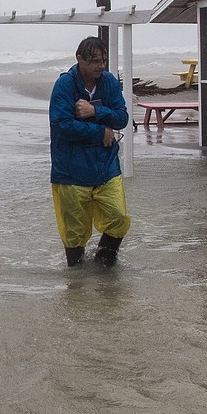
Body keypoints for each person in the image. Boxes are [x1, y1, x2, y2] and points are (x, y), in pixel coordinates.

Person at [49, 36, 131, 267]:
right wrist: (100, 133)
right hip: (70, 170)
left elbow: (122, 117)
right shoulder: (64, 86)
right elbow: (61, 125)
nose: (101, 66)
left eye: (103, 60)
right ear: (79, 60)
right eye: (95, 61)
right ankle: (76, 281)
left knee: (119, 217)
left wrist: (96, 112)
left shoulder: (109, 82)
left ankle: (105, 263)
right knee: (74, 231)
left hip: (105, 166)